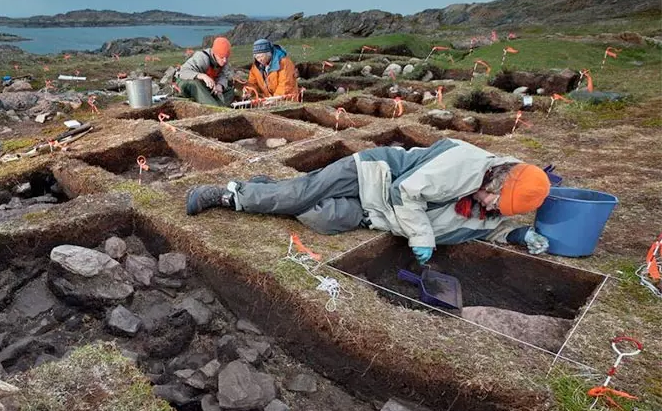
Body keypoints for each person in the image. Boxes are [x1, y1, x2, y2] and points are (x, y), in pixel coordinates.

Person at [185, 138, 552, 264]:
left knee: (322, 220)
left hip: (374, 213)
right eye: (493, 201)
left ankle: (268, 189)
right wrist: (422, 238)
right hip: (372, 175)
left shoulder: (490, 206)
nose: (489, 208)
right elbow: (404, 191)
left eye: (498, 210)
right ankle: (227, 196)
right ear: (496, 178)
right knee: (302, 193)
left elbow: (486, 230)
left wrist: (516, 236)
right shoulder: (464, 163)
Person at [176, 37, 235, 106]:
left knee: (230, 91)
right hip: (185, 83)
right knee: (195, 84)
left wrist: (220, 85)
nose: (224, 60)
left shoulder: (224, 62)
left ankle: (216, 105)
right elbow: (182, 72)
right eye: (221, 57)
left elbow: (224, 75)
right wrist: (202, 76)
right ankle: (213, 107)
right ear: (214, 53)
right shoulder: (202, 58)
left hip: (205, 87)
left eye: (226, 57)